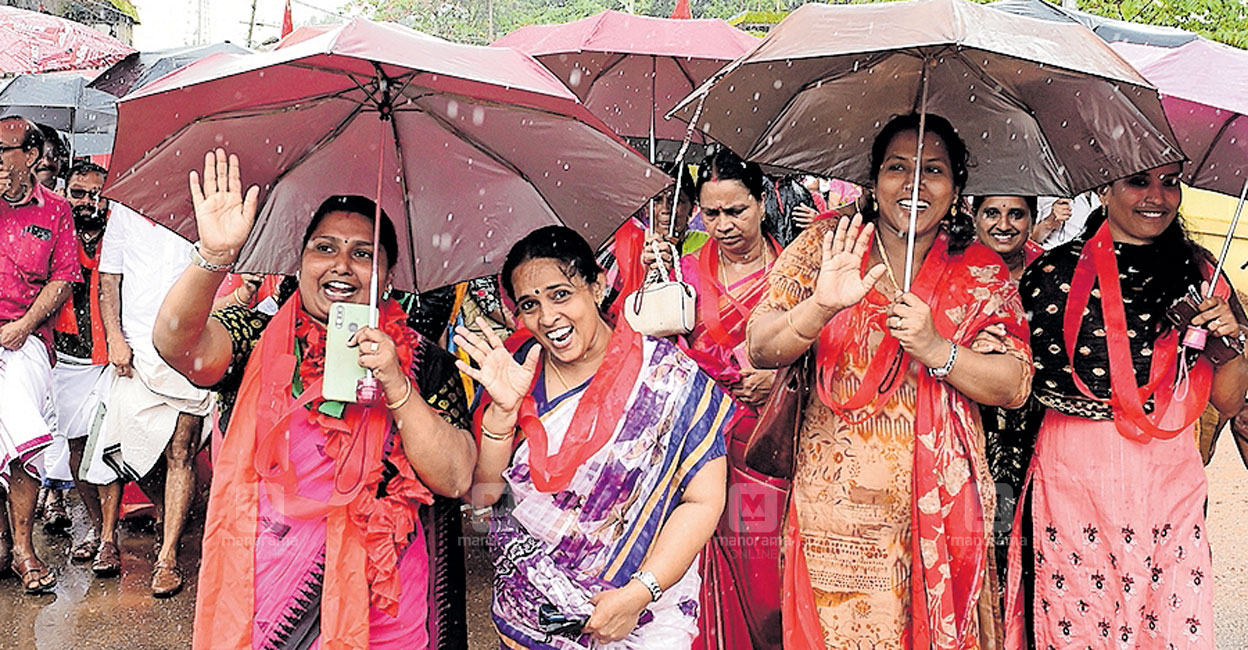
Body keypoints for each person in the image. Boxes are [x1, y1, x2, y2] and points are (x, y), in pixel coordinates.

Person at [156, 150, 475, 649]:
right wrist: (214, 256)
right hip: (268, 602)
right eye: (324, 248)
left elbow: (455, 476)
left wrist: (396, 385)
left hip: (387, 614)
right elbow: (177, 344)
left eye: (364, 253)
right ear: (300, 263)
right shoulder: (255, 340)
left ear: (390, 275)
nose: (341, 265)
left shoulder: (425, 363)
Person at [747, 113, 1033, 648]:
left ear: (958, 188)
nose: (915, 184)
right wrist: (820, 307)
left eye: (935, 170)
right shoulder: (827, 245)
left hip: (937, 511)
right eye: (898, 167)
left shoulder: (978, 270)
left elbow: (1014, 384)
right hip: (832, 510)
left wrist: (937, 349)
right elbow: (761, 346)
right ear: (873, 180)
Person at [1005, 163, 1248, 649]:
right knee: (1079, 623)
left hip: (1167, 478)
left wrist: (1231, 340)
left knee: (1172, 621)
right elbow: (1015, 388)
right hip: (1073, 479)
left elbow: (1230, 399)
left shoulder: (1203, 275)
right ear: (1104, 188)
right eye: (1140, 181)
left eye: (1170, 181)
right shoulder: (1052, 274)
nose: (1157, 196)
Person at [455, 225, 730, 649]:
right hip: (533, 613)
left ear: (598, 285)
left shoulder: (665, 377)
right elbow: (483, 495)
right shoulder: (512, 373)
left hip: (645, 613)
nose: (547, 318)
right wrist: (502, 414)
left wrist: (636, 596)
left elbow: (704, 499)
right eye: (530, 304)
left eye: (561, 294)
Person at [677, 148, 784, 650]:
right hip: (703, 451)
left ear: (763, 203)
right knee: (702, 573)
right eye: (710, 213)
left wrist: (780, 374)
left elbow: (823, 351)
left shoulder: (794, 274)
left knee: (769, 581)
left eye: (735, 211)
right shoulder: (683, 272)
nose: (722, 225)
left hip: (773, 447)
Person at [83, 190, 214, 597]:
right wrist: (115, 339)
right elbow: (110, 278)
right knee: (128, 448)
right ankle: (141, 524)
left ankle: (168, 558)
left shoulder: (203, 203)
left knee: (182, 450)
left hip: (190, 345)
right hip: (136, 351)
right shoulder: (125, 206)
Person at [0, 115, 79, 593]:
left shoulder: (55, 211)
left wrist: (24, 326)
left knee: (23, 435)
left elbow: (65, 277)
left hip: (26, 343)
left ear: (30, 157)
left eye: (3, 151)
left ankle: (25, 550)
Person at [40, 161, 124, 576]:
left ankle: (109, 539)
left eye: (97, 193)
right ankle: (95, 527)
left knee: (104, 446)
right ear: (64, 191)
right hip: (66, 359)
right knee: (76, 448)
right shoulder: (50, 232)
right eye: (79, 193)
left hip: (111, 357)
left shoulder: (121, 231)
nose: (89, 202)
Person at [970, 193, 1047, 605]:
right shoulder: (954, 273)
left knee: (1028, 543)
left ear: (1033, 218)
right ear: (974, 215)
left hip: (1035, 431)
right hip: (970, 429)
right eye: (992, 212)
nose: (1004, 224)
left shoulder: (1051, 276)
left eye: (1016, 213)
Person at [973, 194, 1042, 281]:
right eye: (992, 214)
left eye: (1016, 214)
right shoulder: (955, 268)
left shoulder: (1049, 266)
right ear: (974, 218)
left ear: (1033, 219)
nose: (1004, 227)